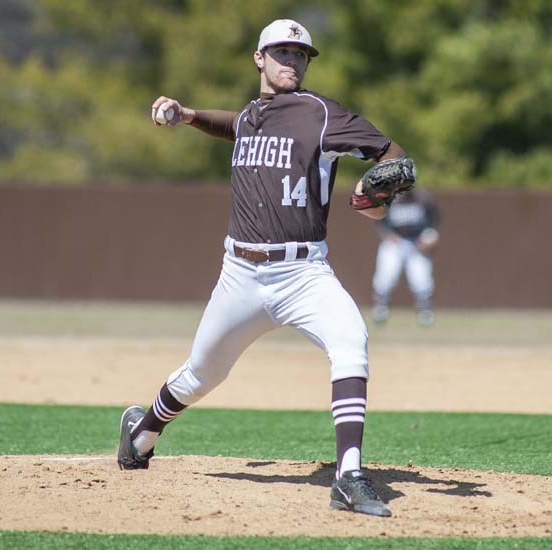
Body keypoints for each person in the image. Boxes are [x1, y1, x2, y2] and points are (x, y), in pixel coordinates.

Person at [116, 19, 415, 518]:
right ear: (259, 58)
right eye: (283, 52)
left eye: (301, 55)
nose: (293, 62)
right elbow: (231, 124)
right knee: (201, 375)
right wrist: (188, 115)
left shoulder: (320, 114)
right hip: (240, 275)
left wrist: (373, 189)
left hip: (304, 274)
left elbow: (392, 154)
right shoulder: (253, 115)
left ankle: (349, 476)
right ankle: (140, 434)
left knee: (351, 342)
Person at [370, 189, 440, 327]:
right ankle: (380, 308)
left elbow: (433, 221)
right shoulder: (388, 198)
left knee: (421, 280)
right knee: (386, 277)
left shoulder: (422, 199)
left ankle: (424, 312)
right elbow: (379, 221)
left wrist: (429, 237)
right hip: (394, 243)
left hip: (417, 243)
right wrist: (388, 235)